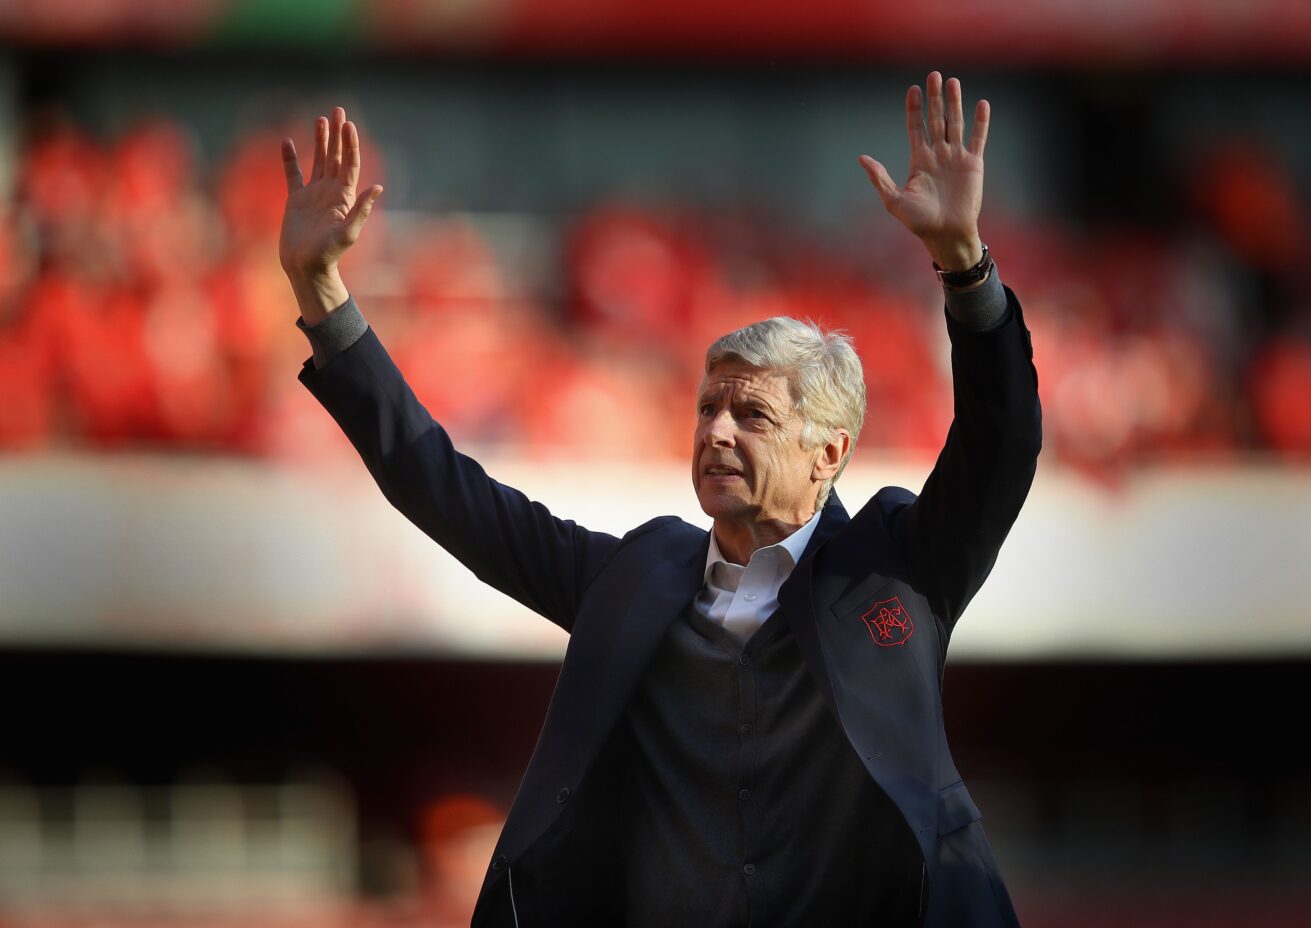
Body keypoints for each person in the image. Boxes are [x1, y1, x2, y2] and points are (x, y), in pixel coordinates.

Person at [279, 73, 1040, 928]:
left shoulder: (900, 565)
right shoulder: (635, 576)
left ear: (829, 452)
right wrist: (323, 294)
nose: (717, 431)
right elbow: (442, 488)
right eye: (707, 407)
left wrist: (964, 267)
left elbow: (1001, 444)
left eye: (751, 414)